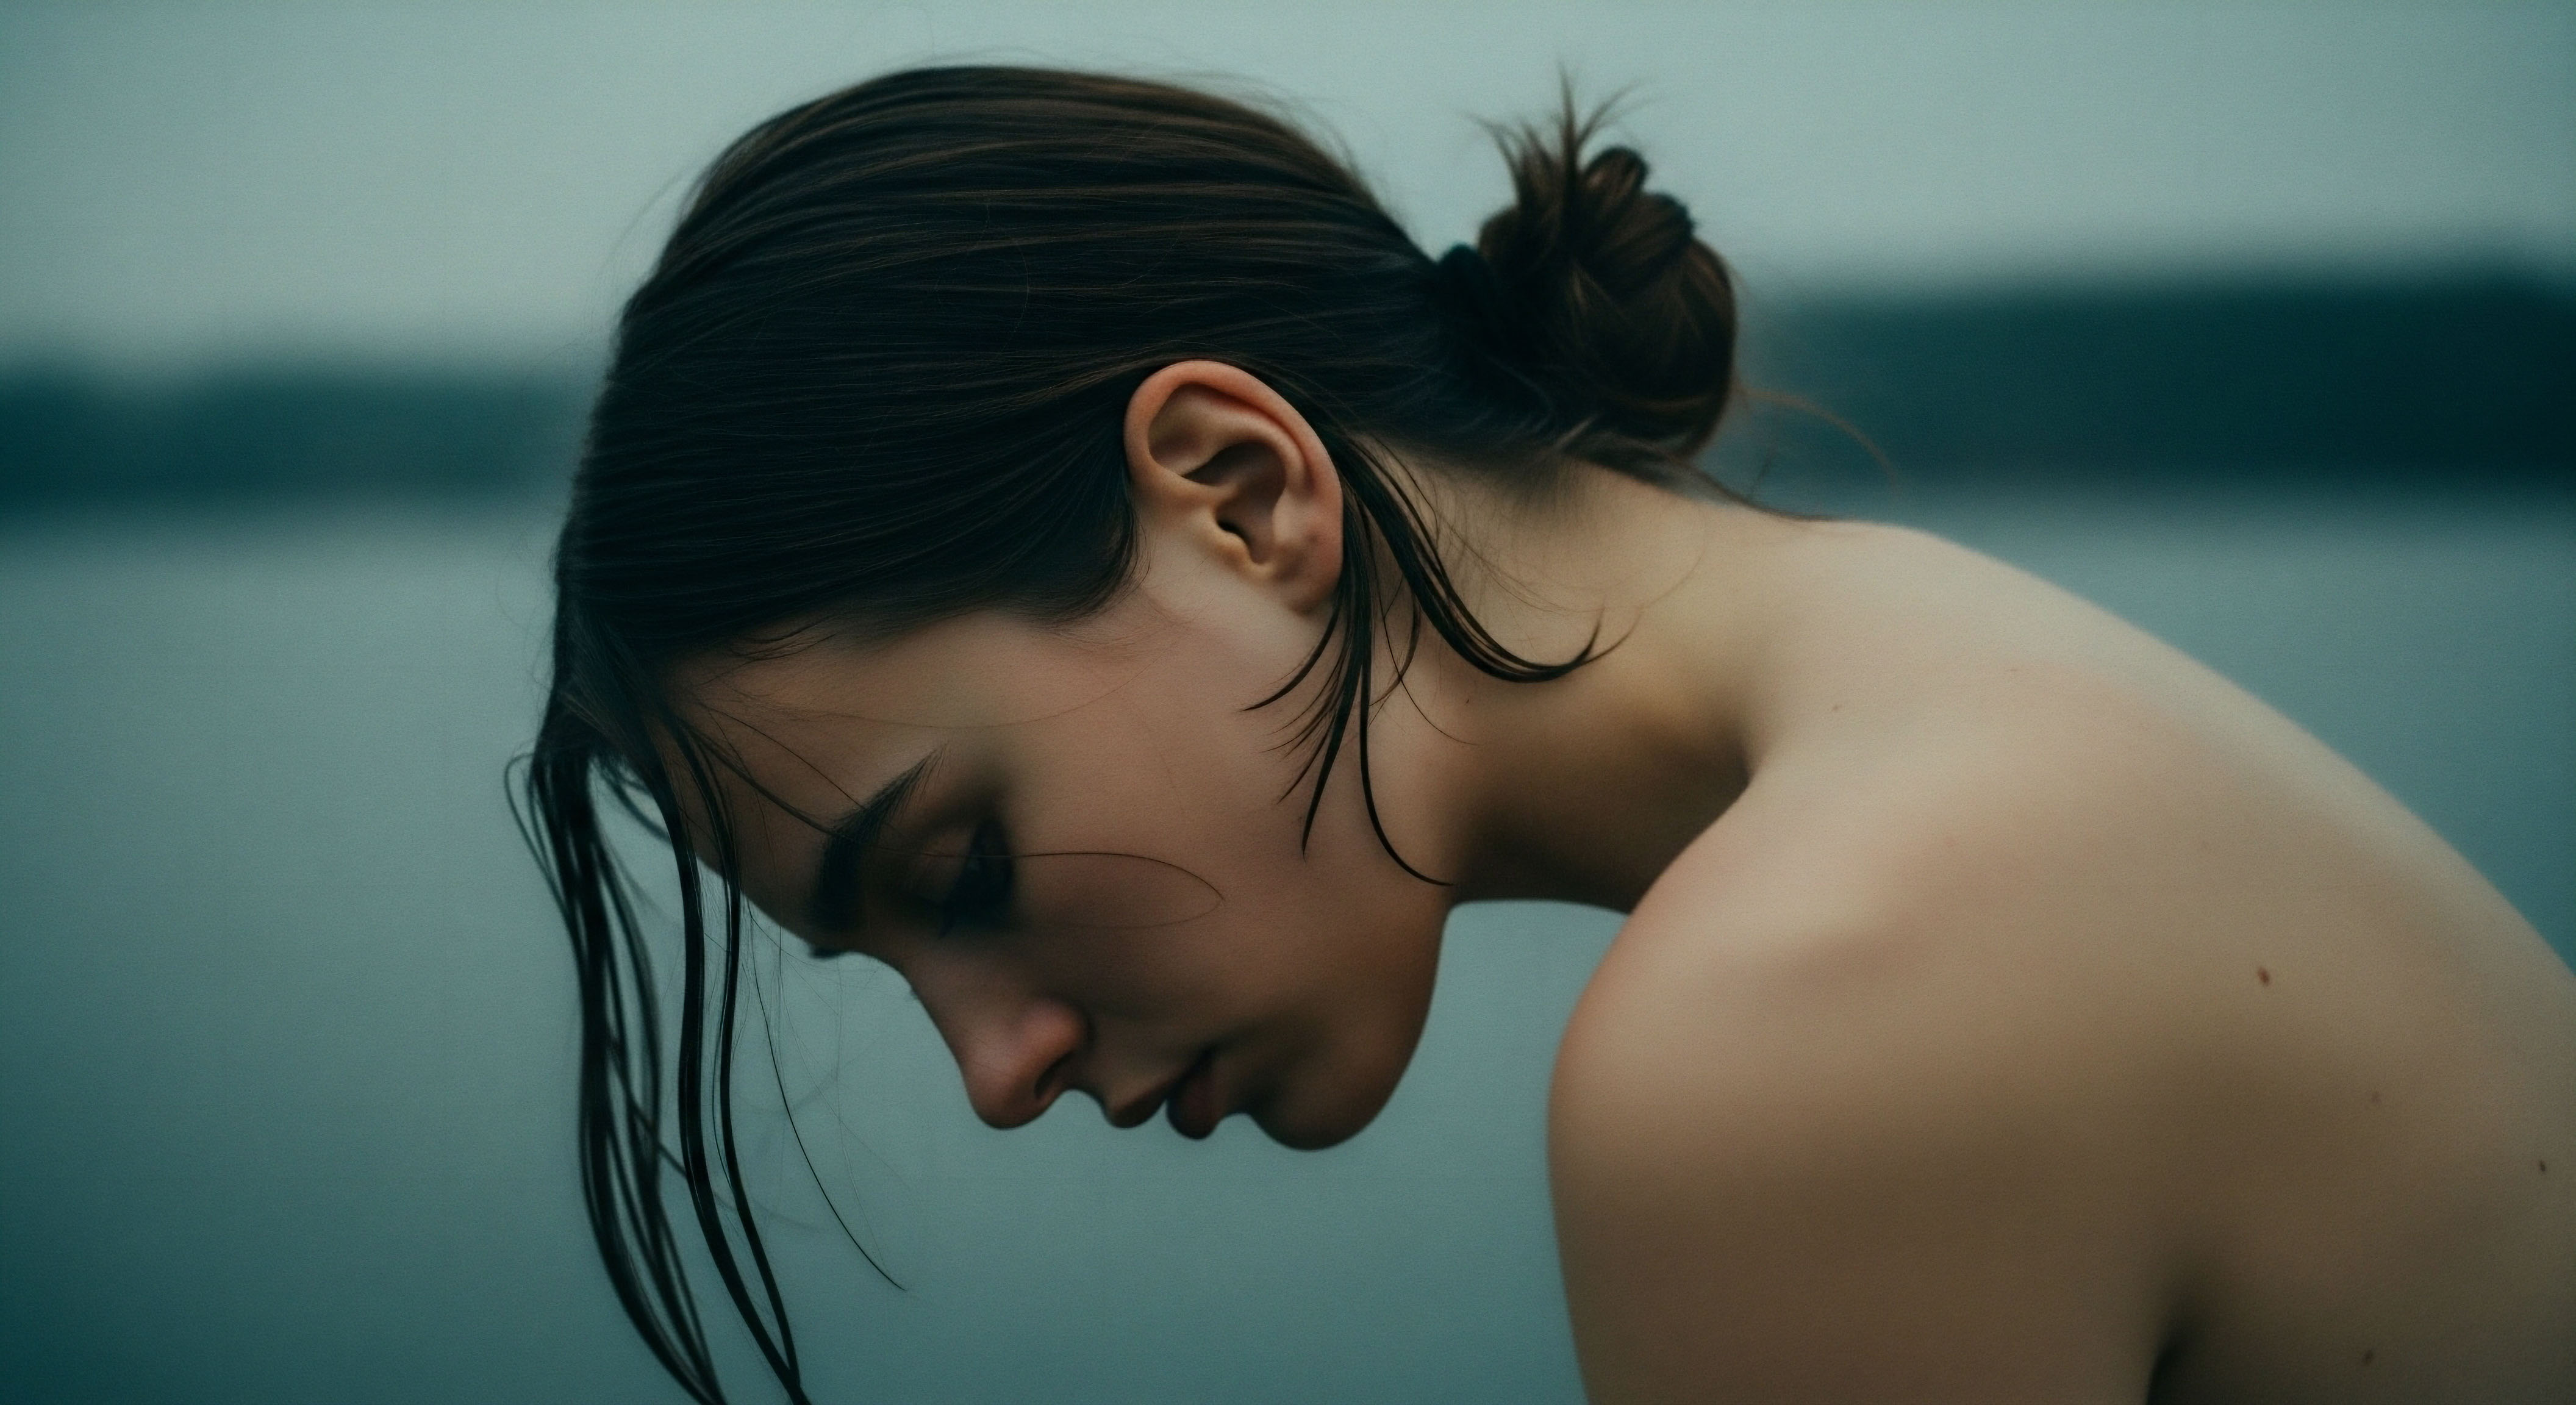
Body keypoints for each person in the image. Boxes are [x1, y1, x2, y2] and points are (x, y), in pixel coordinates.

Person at [522, 65, 2576, 1404]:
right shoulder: (1943, 699)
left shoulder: (1806, 1005)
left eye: (957, 869)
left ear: (1241, 495)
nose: (994, 1071)